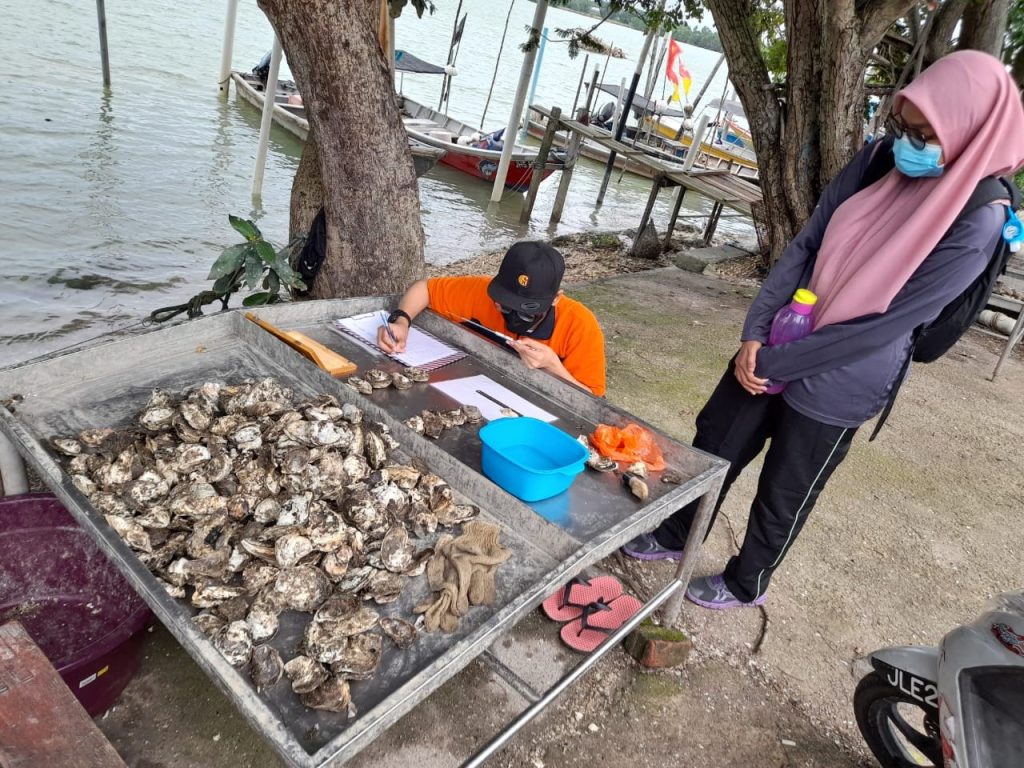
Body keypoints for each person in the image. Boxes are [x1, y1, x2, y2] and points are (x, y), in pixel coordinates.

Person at [623, 50, 1024, 609]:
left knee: (785, 489)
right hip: (778, 335)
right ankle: (674, 535)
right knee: (716, 444)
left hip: (843, 376)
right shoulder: (881, 157)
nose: (907, 143)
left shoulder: (979, 220)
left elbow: (888, 324)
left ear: (971, 133)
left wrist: (776, 363)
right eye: (902, 126)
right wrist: (755, 332)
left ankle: (746, 582)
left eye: (925, 134)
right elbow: (807, 242)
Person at [377, 241, 606, 396]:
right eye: (505, 306)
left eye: (528, 311)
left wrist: (553, 367)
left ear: (555, 299)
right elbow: (424, 289)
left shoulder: (580, 325)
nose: (514, 316)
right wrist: (401, 321)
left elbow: (593, 403)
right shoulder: (481, 291)